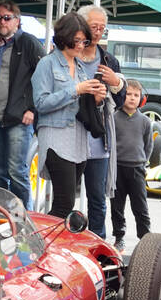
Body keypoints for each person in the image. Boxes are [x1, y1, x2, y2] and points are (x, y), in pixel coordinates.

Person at [31, 12, 106, 218]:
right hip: (56, 137)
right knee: (65, 203)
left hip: (79, 139)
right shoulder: (47, 64)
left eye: (84, 40)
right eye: (78, 40)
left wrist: (96, 98)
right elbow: (41, 103)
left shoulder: (80, 66)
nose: (82, 45)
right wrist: (76, 90)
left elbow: (82, 104)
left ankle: (52, 243)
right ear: (65, 37)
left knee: (66, 201)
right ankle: (43, 243)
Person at [0, 0, 43, 207]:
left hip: (18, 118)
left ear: (17, 20)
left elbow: (44, 77)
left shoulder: (28, 43)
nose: (2, 22)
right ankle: (2, 215)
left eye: (6, 17)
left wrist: (33, 109)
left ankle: (27, 218)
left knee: (17, 171)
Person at [75, 4, 127, 239]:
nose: (97, 32)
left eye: (102, 29)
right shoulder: (67, 55)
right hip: (71, 135)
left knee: (97, 198)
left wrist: (116, 82)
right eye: (94, 26)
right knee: (65, 197)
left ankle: (98, 244)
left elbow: (122, 98)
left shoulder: (108, 60)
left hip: (98, 139)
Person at [111, 79, 154, 250]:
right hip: (118, 169)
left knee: (140, 206)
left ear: (141, 98)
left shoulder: (144, 121)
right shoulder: (114, 118)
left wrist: (142, 161)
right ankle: (119, 237)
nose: (132, 98)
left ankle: (145, 237)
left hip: (137, 169)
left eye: (136, 95)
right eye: (128, 94)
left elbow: (148, 145)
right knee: (117, 206)